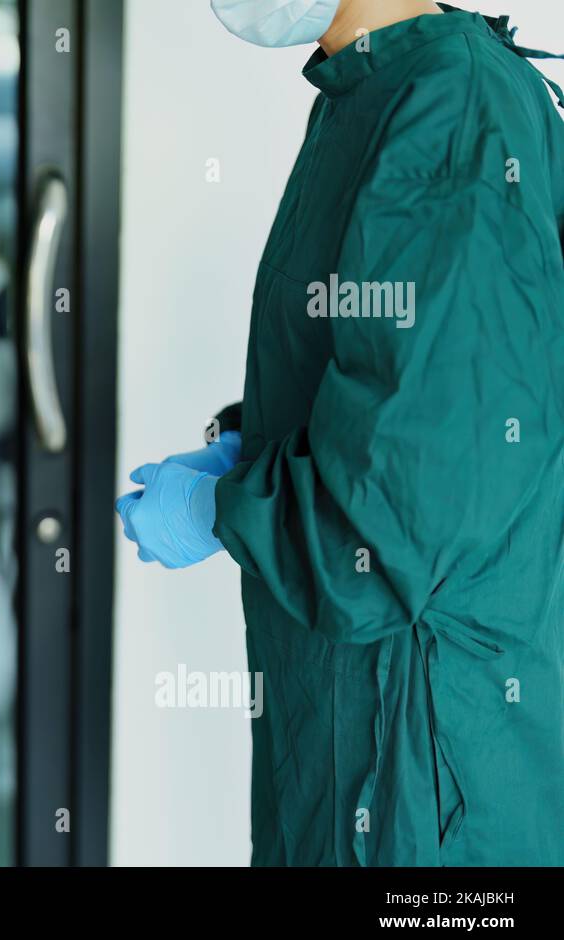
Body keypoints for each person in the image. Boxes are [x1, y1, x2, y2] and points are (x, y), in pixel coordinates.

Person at [117, 0, 564, 865]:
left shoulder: (450, 112)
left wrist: (223, 508)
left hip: (427, 776)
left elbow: (406, 510)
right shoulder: (369, 92)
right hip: (355, 729)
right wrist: (247, 454)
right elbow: (390, 380)